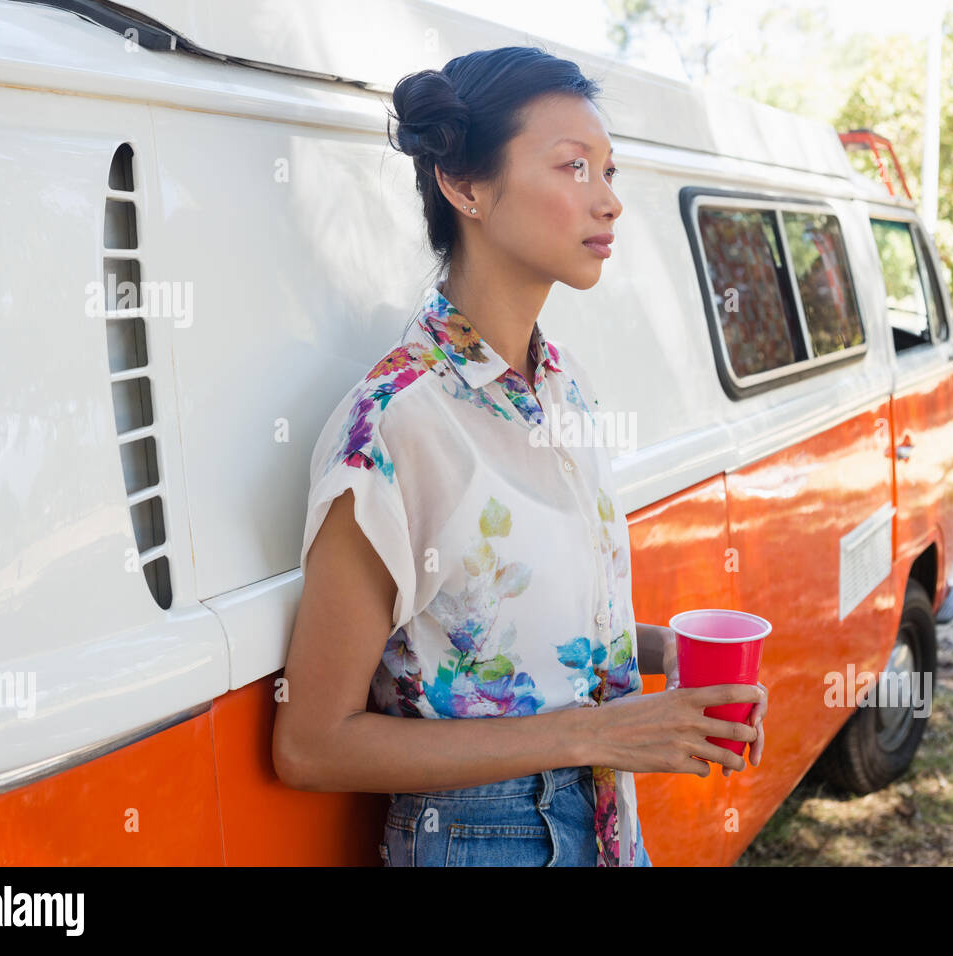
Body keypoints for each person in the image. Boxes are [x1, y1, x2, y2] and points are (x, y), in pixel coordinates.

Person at [273, 45, 768, 867]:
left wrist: (671, 657)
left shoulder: (562, 386)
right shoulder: (394, 425)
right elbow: (313, 744)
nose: (609, 201)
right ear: (464, 187)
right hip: (487, 839)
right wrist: (600, 731)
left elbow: (519, 629)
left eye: (610, 171)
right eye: (574, 168)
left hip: (606, 822)